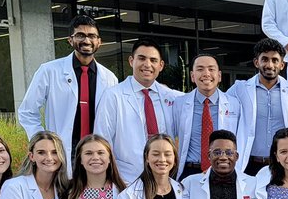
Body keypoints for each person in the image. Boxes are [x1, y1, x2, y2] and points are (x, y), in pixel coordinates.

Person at [18, 16, 118, 165]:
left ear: (99, 41)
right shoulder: (49, 71)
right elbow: (27, 112)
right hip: (62, 149)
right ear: (70, 40)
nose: (86, 40)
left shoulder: (110, 78)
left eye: (92, 36)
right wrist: (42, 141)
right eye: (80, 35)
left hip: (96, 150)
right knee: (64, 181)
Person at [94, 38, 182, 183]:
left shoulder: (173, 97)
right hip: (127, 179)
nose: (147, 64)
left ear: (161, 65)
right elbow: (102, 141)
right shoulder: (113, 96)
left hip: (166, 178)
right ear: (131, 61)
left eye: (153, 60)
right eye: (141, 58)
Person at [232, 38, 288, 177]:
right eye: (264, 59)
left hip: (283, 164)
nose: (270, 65)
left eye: (275, 60)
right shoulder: (240, 89)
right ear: (256, 62)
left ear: (282, 65)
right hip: (250, 165)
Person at [173, 54, 242, 180]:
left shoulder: (234, 104)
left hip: (223, 170)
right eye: (200, 69)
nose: (206, 74)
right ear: (192, 76)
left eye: (211, 69)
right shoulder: (179, 104)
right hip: (190, 170)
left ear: (219, 76)